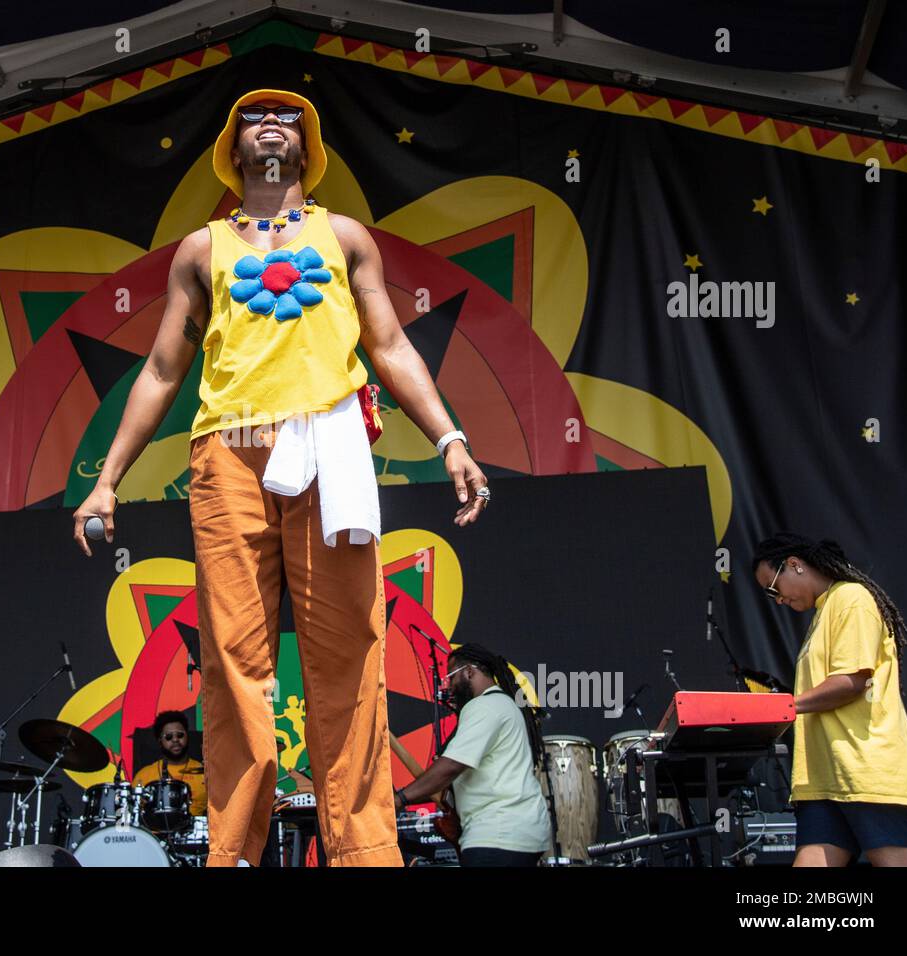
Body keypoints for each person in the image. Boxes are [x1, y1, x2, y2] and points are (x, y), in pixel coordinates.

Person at [74, 89, 490, 866]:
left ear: (309, 146)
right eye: (255, 115)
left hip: (328, 446)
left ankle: (365, 854)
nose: (273, 122)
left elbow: (392, 345)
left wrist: (450, 438)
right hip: (229, 452)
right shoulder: (201, 249)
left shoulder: (343, 237)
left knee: (350, 657)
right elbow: (164, 367)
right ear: (232, 147)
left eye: (291, 116)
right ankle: (232, 853)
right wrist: (107, 479)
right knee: (233, 661)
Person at [753, 533, 907, 867]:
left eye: (774, 588)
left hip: (863, 770)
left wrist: (783, 706)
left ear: (794, 565)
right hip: (823, 779)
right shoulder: (824, 611)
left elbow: (851, 681)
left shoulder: (852, 599)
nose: (777, 600)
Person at [394, 644, 551, 866]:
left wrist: (400, 799)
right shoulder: (502, 704)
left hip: (498, 835)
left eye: (451, 676)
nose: (448, 684)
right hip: (516, 833)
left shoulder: (484, 705)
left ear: (469, 672)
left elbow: (450, 766)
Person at [131, 710, 207, 816]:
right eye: (168, 737)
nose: (175, 739)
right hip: (155, 831)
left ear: (187, 736)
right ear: (160, 741)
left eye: (180, 735)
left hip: (196, 830)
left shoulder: (206, 773)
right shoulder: (144, 776)